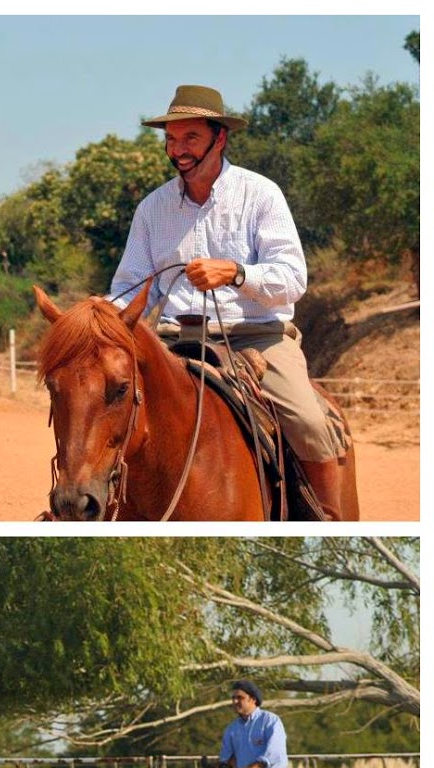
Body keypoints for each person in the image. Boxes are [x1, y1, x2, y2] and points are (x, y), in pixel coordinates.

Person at [111, 84, 350, 520]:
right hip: (174, 340)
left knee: (309, 423)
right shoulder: (152, 209)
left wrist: (237, 273)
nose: (178, 150)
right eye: (171, 139)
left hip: (257, 338)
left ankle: (327, 522)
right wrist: (102, 314)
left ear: (219, 138)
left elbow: (293, 279)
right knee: (106, 410)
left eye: (190, 139)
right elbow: (130, 287)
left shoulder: (261, 195)